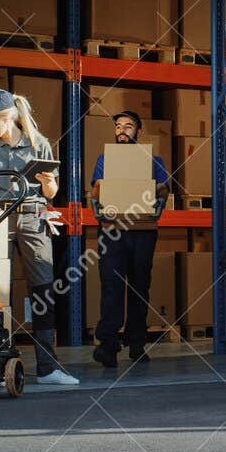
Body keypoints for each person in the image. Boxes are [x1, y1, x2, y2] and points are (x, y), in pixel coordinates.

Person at [0, 88, 80, 386]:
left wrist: (48, 183)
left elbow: (52, 193)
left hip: (33, 217)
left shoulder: (39, 146)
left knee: (43, 289)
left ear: (5, 118)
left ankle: (48, 368)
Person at [88, 110, 169, 368]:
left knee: (139, 287)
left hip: (143, 231)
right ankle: (109, 345)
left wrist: (155, 192)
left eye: (129, 126)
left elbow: (163, 187)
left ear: (139, 131)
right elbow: (97, 187)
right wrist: (102, 196)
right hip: (112, 230)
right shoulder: (105, 159)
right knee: (111, 286)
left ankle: (136, 344)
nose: (122, 130)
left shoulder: (153, 160)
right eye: (119, 126)